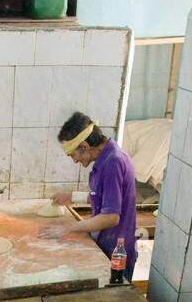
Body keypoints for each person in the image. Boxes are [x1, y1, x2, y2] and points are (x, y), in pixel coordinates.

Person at [40, 111, 138, 281]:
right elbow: (106, 197)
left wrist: (68, 228)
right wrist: (72, 197)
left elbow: (111, 217)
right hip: (105, 245)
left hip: (116, 253)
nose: (74, 161)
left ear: (84, 146)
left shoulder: (113, 162)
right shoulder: (107, 157)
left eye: (73, 155)